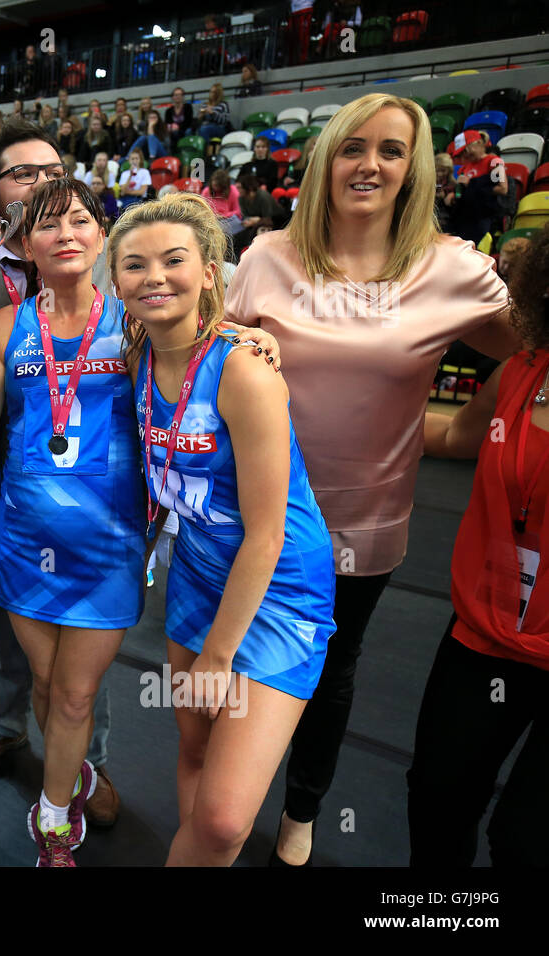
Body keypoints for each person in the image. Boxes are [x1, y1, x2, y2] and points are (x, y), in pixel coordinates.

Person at [223, 93, 520, 867]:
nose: (370, 164)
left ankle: (301, 809)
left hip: (366, 522)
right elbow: (208, 368)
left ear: (414, 168)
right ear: (326, 160)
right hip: (255, 513)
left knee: (329, 667)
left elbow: (532, 347)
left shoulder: (452, 268)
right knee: (234, 655)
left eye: (392, 150)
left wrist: (461, 427)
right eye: (354, 147)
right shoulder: (265, 257)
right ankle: (226, 795)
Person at [117, 192, 335, 866]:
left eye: (174, 259)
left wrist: (219, 653)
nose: (155, 275)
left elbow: (267, 534)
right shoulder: (138, 360)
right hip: (199, 573)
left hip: (278, 588)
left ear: (210, 271)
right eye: (134, 264)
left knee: (222, 820)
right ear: (118, 281)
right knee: (195, 746)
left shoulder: (243, 370)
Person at [0, 178, 145, 866]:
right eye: (47, 224)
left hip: (109, 543)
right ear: (25, 244)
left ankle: (53, 820)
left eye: (79, 220)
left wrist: (247, 335)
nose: (65, 233)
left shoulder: (130, 316)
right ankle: (75, 778)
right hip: (25, 540)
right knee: (44, 688)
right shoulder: (8, 326)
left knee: (73, 695)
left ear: (101, 235)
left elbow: (198, 348)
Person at [412, 228, 549, 866]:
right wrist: (342, 413)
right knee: (439, 797)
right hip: (485, 635)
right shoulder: (523, 372)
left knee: (523, 839)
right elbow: (453, 435)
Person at [450, 130, 509, 246]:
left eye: (466, 150)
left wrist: (472, 184)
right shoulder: (464, 168)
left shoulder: (494, 161)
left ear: (478, 144)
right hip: (465, 217)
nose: (465, 155)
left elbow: (503, 189)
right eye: (462, 153)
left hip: (483, 218)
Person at [236, 173, 285, 252]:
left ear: (248, 187)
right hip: (255, 223)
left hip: (274, 222)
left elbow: (268, 218)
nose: (238, 190)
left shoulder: (263, 196)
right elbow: (245, 215)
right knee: (237, 237)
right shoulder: (241, 198)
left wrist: (257, 220)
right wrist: (249, 221)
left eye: (240, 188)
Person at [273, 133, 314, 204]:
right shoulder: (296, 162)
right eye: (314, 144)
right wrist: (285, 179)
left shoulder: (320, 165)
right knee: (278, 192)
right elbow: (287, 176)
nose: (317, 146)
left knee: (293, 192)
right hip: (291, 188)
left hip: (304, 190)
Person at [197, 84, 230, 154]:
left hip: (219, 128)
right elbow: (199, 119)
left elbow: (224, 120)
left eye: (213, 92)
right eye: (210, 92)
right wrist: (201, 116)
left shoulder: (223, 105)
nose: (211, 94)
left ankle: (205, 152)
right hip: (205, 125)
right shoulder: (205, 104)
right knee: (189, 131)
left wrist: (212, 113)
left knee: (204, 129)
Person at [117, 148, 153, 215]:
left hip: (139, 199)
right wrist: (130, 176)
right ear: (129, 161)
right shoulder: (125, 174)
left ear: (140, 160)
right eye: (132, 159)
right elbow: (122, 192)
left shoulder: (145, 172)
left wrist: (127, 192)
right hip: (125, 199)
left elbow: (141, 192)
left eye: (136, 159)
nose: (134, 161)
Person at [434, 151, 456, 234]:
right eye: (437, 170)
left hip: (445, 224)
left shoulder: (453, 185)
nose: (440, 174)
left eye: (443, 171)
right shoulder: (428, 182)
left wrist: (446, 198)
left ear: (449, 171)